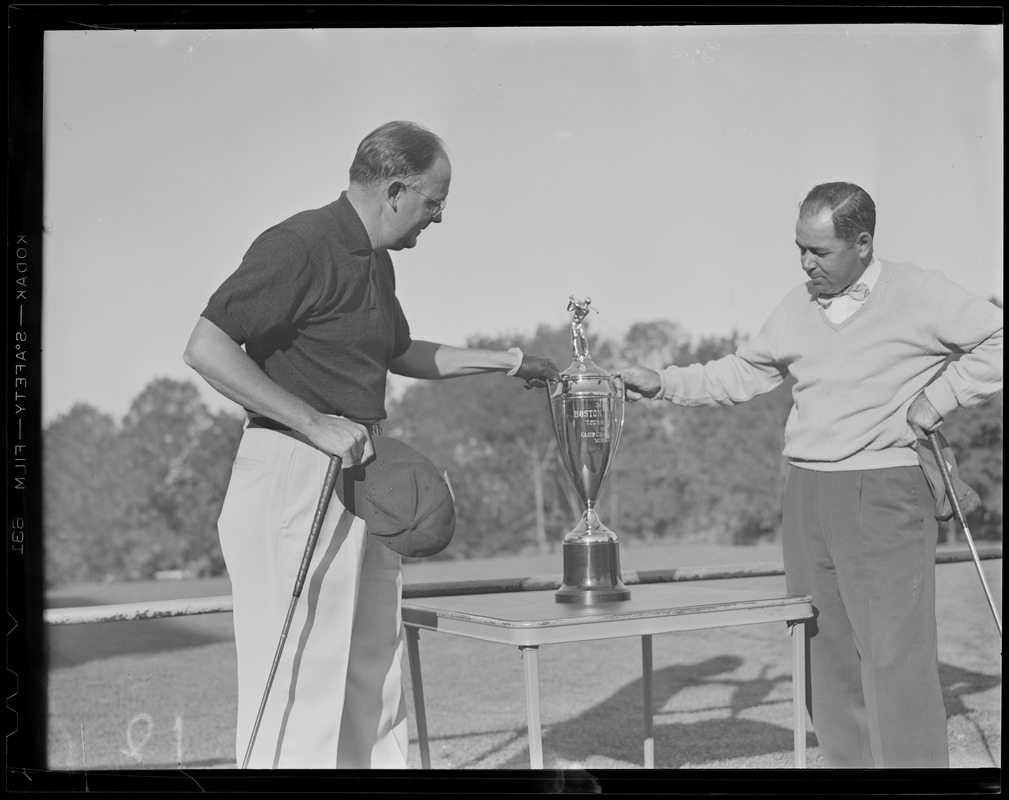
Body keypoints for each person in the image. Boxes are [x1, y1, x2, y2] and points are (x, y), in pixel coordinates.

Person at [183, 120, 559, 769]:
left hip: (362, 474)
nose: (436, 217)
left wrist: (509, 360)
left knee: (371, 676)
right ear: (394, 189)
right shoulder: (299, 243)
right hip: (291, 472)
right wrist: (311, 422)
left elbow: (400, 352)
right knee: (301, 687)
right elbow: (206, 347)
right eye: (433, 201)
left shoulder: (375, 263)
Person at [618, 182, 1002, 769]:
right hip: (806, 492)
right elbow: (743, 372)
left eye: (819, 252)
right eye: (798, 248)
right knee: (820, 657)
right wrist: (663, 381)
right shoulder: (797, 306)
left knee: (894, 657)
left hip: (885, 492)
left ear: (864, 244)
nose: (805, 263)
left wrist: (939, 398)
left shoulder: (920, 292)